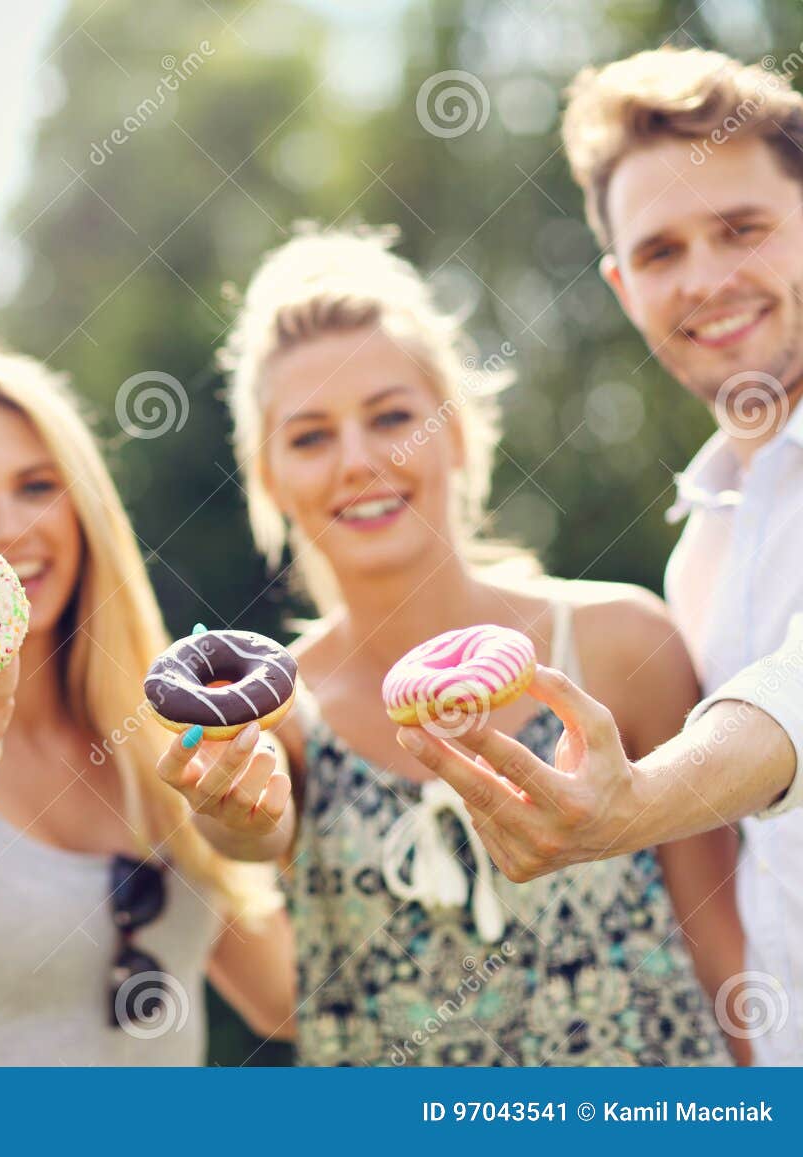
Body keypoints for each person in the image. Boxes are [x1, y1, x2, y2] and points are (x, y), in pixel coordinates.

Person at [166, 226, 735, 1065]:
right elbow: (251, 829)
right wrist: (227, 819)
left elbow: (725, 946)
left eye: (393, 416)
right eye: (311, 435)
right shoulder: (280, 714)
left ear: (457, 431)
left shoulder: (623, 645)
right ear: (270, 476)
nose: (360, 459)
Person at [406, 47, 803, 1064]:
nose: (708, 279)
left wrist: (634, 805)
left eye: (743, 228)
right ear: (624, 287)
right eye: (662, 252)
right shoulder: (701, 543)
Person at [0, 351, 294, 1065]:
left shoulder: (158, 740)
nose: (10, 528)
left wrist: (260, 833)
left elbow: (286, 998)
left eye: (37, 486)